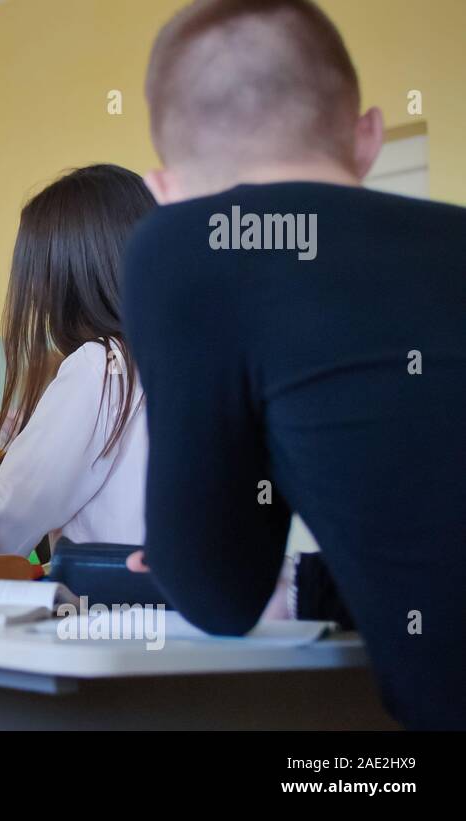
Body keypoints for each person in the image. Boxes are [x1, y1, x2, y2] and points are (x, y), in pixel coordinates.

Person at [122, 0, 466, 728]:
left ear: (165, 190)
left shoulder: (186, 247)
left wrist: (183, 545)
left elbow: (220, 594)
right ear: (368, 135)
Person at [0, 165, 155, 555]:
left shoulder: (101, 366)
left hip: (118, 594)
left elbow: (2, 527)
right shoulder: (192, 357)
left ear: (67, 275)